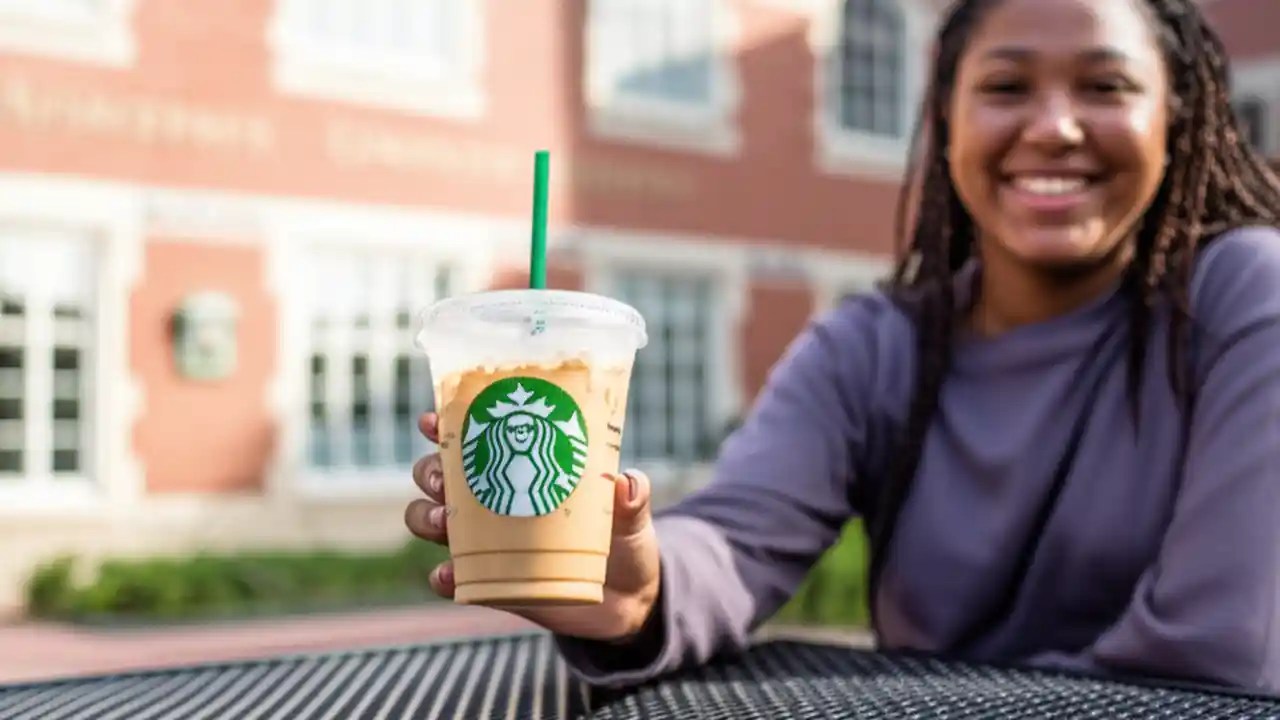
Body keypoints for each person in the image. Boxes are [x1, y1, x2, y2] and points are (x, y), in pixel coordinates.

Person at [406, 0, 1280, 693]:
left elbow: (1211, 651)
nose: (1054, 125)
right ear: (945, 121)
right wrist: (638, 589)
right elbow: (737, 537)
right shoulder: (875, 347)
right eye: (1007, 87)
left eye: (1106, 86)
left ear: (1179, 117)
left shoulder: (1247, 296)